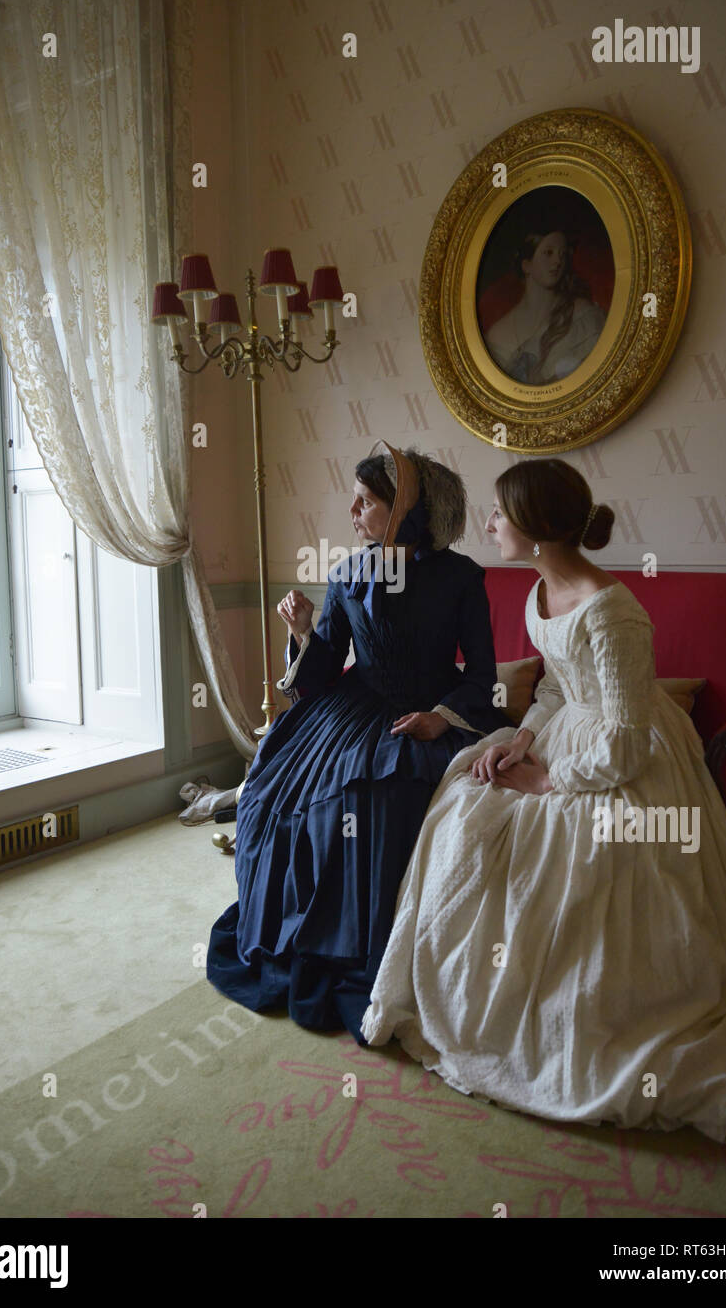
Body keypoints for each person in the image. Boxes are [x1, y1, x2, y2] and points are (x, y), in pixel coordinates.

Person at [362, 458, 726, 1143]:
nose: (488, 524)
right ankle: (465, 1007)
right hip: (569, 732)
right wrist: (519, 742)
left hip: (624, 756)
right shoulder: (536, 590)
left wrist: (549, 782)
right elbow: (551, 692)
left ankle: (568, 1028)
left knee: (579, 856)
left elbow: (628, 743)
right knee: (466, 802)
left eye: (498, 513)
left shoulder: (613, 615)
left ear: (536, 527)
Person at [207, 441, 513, 1042]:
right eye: (354, 500)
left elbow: (483, 675)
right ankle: (307, 938)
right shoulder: (347, 572)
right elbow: (321, 674)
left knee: (379, 801)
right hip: (353, 708)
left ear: (404, 509)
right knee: (272, 790)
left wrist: (442, 717)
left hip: (428, 714)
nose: (353, 511)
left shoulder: (459, 577)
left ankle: (374, 952)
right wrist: (301, 633)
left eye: (367, 501)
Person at [483, 230, 605, 385]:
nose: (557, 261)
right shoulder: (498, 334)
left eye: (562, 254)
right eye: (548, 253)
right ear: (526, 265)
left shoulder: (583, 315)